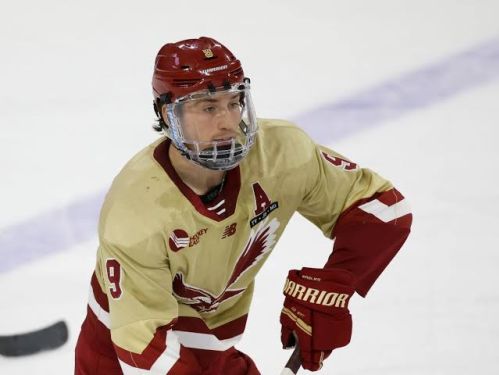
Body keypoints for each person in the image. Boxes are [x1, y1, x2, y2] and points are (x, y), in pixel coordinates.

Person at [74, 36, 412, 374]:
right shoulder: (136, 211)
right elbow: (143, 348)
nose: (227, 121)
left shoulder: (282, 155)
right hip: (120, 356)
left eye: (234, 102)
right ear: (167, 113)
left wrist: (337, 284)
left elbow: (384, 209)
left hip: (210, 345)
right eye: (208, 107)